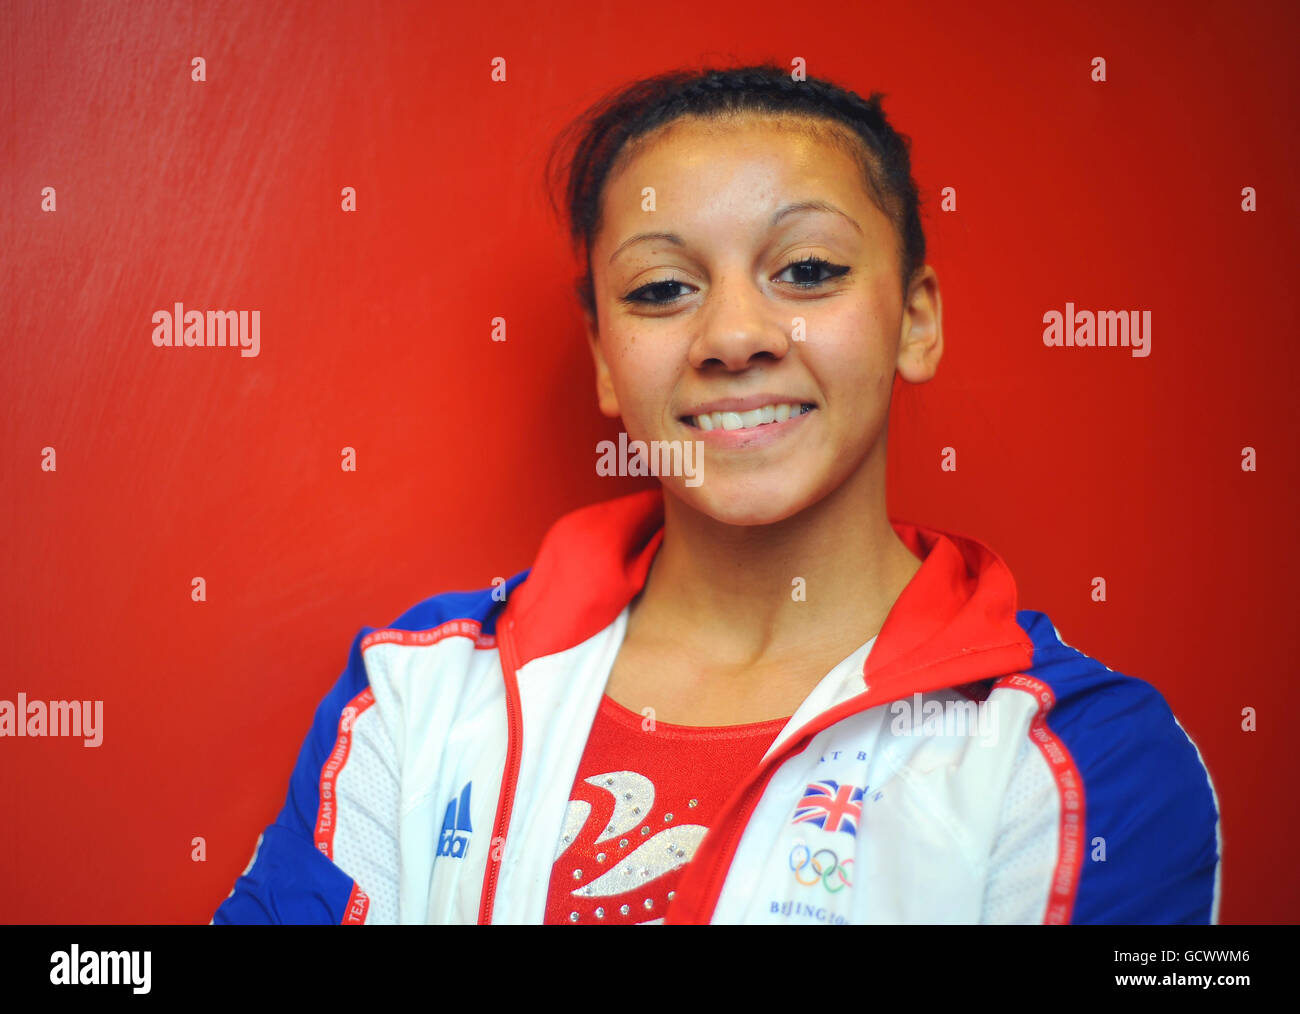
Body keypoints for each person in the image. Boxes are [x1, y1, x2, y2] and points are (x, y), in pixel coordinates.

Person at [212, 64, 1220, 925]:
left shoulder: (1088, 759)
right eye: (660, 289)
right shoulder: (419, 694)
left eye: (808, 269)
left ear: (915, 320)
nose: (735, 337)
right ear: (605, 359)